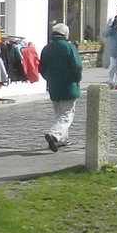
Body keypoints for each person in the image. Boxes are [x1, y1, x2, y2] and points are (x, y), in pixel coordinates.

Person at [38, 22, 82, 152]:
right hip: (68, 85)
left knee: (59, 113)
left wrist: (49, 78)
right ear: (65, 34)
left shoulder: (47, 48)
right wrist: (77, 78)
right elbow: (77, 66)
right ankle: (55, 135)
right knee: (67, 114)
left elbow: (42, 68)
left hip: (53, 85)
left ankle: (62, 139)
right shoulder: (69, 47)